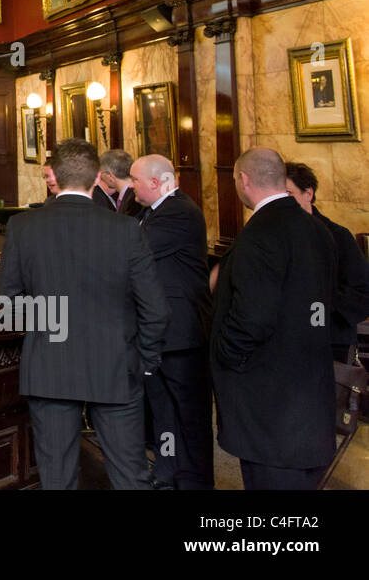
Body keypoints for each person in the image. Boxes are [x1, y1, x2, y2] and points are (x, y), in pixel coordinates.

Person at [0, 138, 168, 490]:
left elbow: (7, 305)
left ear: (54, 176)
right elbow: (155, 308)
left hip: (51, 365)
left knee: (58, 478)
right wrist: (145, 360)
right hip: (117, 365)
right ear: (96, 180)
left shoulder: (23, 227)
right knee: (131, 475)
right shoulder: (125, 229)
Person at [212, 147, 336, 490]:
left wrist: (224, 355)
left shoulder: (261, 233)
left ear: (243, 179)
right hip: (309, 392)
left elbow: (253, 317)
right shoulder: (318, 229)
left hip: (269, 404)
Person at [129, 154, 213, 490]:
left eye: (134, 179)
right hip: (159, 335)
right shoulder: (151, 211)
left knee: (189, 416)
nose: (131, 185)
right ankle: (167, 474)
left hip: (183, 336)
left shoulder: (179, 211)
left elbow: (134, 252)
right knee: (163, 413)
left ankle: (195, 481)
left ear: (154, 181)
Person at [284, 162, 369, 363]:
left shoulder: (338, 236)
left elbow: (362, 292)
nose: (283, 204)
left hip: (330, 341)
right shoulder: (275, 237)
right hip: (288, 341)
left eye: (289, 195)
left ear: (308, 194)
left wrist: (316, 303)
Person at [94, 149, 138, 215]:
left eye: (101, 173)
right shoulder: (129, 194)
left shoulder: (135, 198)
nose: (100, 177)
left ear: (110, 176)